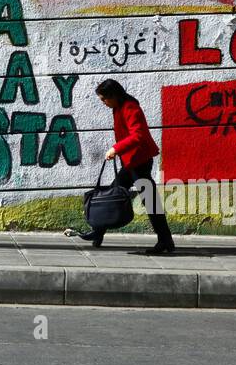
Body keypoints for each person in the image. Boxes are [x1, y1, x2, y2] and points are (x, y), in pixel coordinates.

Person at [64, 78, 176, 254]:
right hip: (131, 162)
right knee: (113, 194)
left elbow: (137, 135)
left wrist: (116, 148)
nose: (103, 103)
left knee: (150, 202)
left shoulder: (130, 107)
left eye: (104, 99)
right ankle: (98, 231)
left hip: (139, 162)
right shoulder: (118, 107)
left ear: (114, 95)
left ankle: (165, 240)